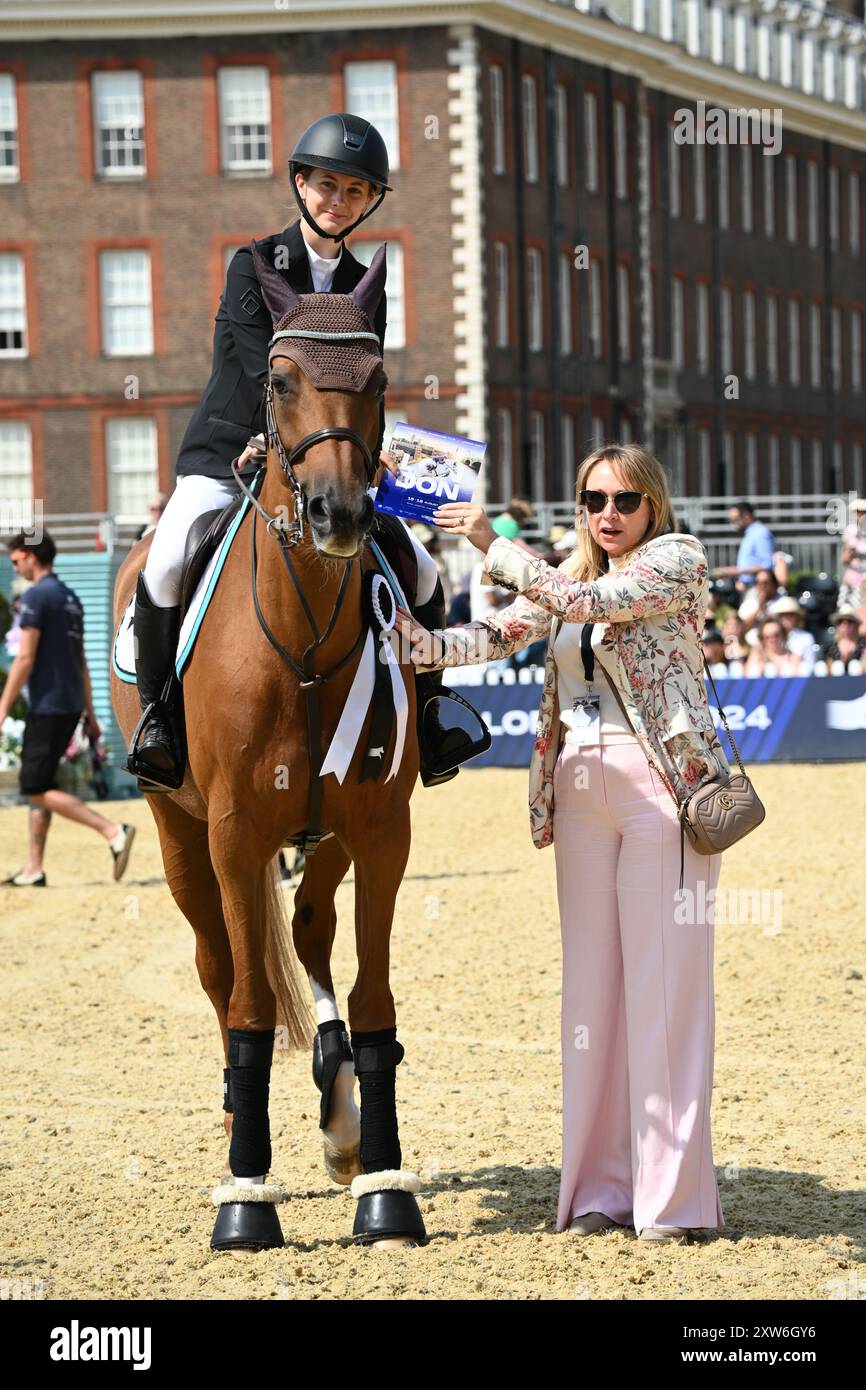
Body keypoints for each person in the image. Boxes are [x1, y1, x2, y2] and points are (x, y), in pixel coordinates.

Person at [396, 443, 732, 1242]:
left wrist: (491, 542)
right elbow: (498, 632)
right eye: (593, 500)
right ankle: (599, 1192)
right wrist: (412, 640)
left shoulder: (678, 561)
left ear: (653, 504)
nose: (608, 513)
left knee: (664, 995)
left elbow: (584, 603)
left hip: (662, 792)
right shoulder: (569, 577)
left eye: (624, 500)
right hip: (579, 793)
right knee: (591, 998)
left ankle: (673, 1204)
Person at [126, 111, 477, 792]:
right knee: (165, 563)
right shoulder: (253, 263)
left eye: (355, 191)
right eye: (327, 185)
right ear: (300, 184)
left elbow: (364, 382)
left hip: (331, 462)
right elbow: (263, 368)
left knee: (426, 571)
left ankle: (433, 717)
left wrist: (378, 452)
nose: (338, 201)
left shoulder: (366, 282)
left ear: (369, 201)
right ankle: (160, 722)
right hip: (234, 451)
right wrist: (274, 440)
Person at [0, 532, 135, 887]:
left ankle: (112, 831)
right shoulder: (70, 598)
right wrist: (89, 713)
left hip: (47, 706)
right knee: (43, 782)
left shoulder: (36, 597)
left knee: (33, 786)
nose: (15, 567)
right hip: (70, 704)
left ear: (31, 556)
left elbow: (25, 657)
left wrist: (2, 708)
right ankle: (33, 868)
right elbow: (82, 662)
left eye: (16, 561)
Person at [713, 501, 775, 590]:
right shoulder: (751, 533)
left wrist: (733, 572)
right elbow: (749, 565)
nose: (733, 524)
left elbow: (766, 564)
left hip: (756, 589)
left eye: (735, 519)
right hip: (747, 588)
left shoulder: (760, 533)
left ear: (746, 516)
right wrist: (728, 571)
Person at [768, 596, 818, 671]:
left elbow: (809, 664)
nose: (787, 617)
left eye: (791, 614)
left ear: (797, 617)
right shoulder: (771, 636)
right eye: (783, 614)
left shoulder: (806, 637)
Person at [839, 499, 866, 608]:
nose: (858, 515)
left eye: (862, 512)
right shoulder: (851, 530)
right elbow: (845, 559)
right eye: (857, 512)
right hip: (853, 578)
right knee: (846, 608)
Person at [823, 605, 866, 670]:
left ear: (856, 624)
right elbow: (828, 670)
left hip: (860, 676)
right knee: (837, 665)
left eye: (849, 621)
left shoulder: (863, 644)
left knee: (855, 665)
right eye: (840, 621)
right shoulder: (831, 646)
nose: (845, 625)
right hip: (836, 676)